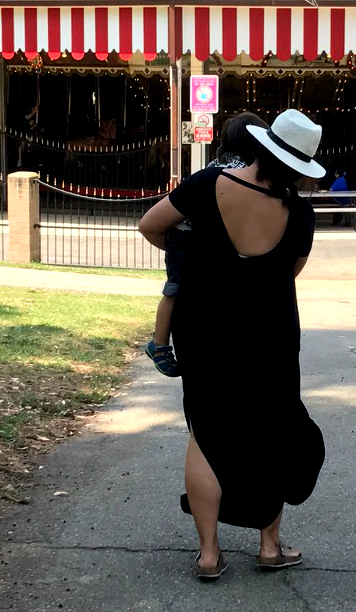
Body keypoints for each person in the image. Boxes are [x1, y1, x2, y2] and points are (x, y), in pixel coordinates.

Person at [138, 109, 327, 582]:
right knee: (274, 427)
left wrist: (201, 256)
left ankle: (207, 553)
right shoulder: (300, 212)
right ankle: (268, 546)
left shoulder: (206, 185)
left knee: (206, 430)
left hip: (205, 325)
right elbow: (290, 270)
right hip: (271, 330)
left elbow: (150, 225)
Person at [144, 111, 266, 377]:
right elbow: (149, 225)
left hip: (186, 238)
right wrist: (179, 247)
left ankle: (161, 342)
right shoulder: (236, 173)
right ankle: (160, 344)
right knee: (173, 290)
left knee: (175, 291)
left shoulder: (213, 168)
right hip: (186, 236)